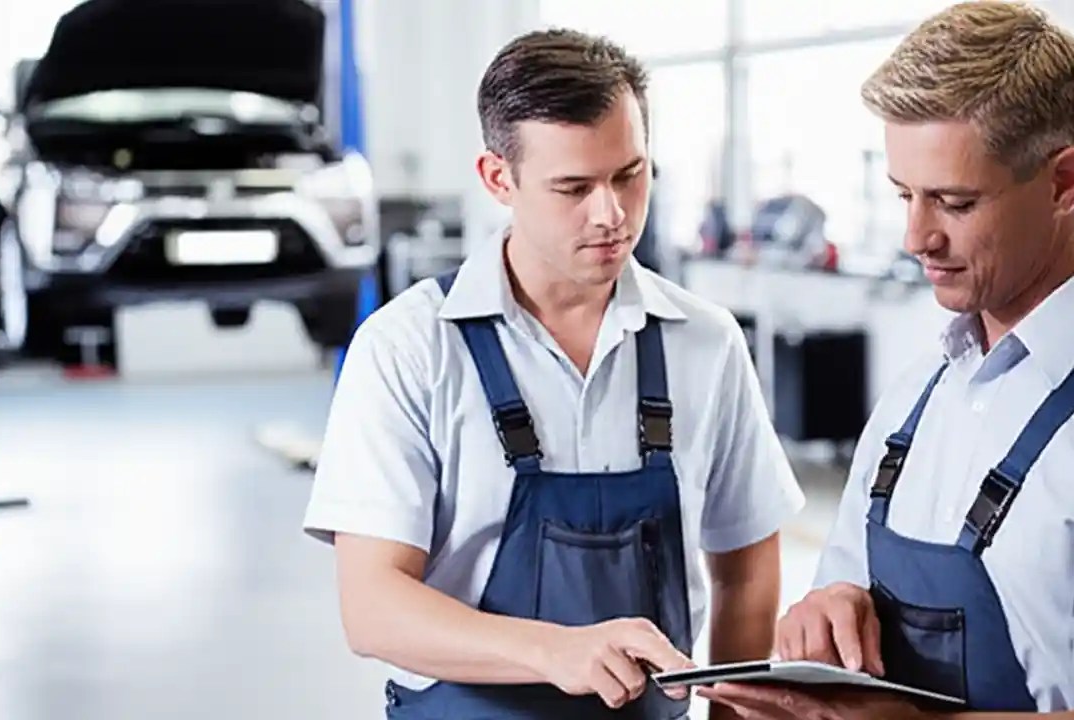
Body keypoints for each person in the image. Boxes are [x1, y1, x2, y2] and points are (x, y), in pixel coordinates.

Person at [303, 28, 806, 719]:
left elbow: (746, 566)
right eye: (573, 187)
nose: (612, 214)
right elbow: (373, 608)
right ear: (497, 179)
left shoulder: (705, 343)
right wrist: (553, 650)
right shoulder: (407, 348)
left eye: (630, 174)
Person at [698, 2, 1074, 719]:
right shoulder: (920, 397)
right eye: (903, 195)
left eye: (954, 201)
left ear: (1065, 182)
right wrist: (830, 617)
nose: (917, 236)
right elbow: (843, 595)